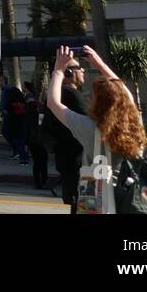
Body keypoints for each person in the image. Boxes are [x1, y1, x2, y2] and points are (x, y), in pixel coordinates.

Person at [46, 45, 147, 215]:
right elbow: (126, 94)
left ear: (98, 103)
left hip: (96, 199)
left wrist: (58, 70)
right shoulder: (135, 124)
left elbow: (53, 103)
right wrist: (99, 63)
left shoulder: (90, 128)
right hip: (131, 197)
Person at [39, 50, 87, 211]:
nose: (83, 70)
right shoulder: (71, 94)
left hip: (68, 160)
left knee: (78, 204)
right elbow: (90, 123)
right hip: (78, 161)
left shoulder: (60, 94)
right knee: (82, 204)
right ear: (68, 72)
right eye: (79, 68)